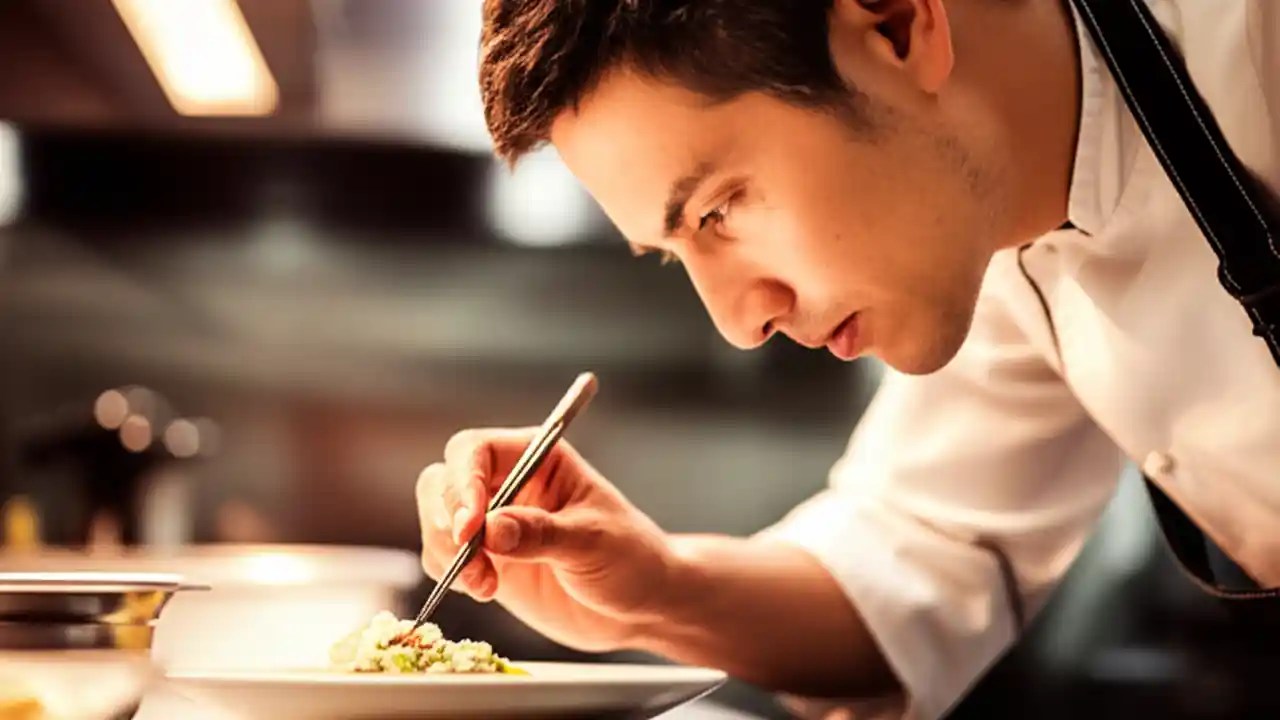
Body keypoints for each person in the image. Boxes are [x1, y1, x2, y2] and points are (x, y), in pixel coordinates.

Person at [415, 1, 1280, 717]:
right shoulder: (983, 220)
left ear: (899, 26)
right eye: (676, 255)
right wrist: (652, 588)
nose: (739, 323)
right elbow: (921, 562)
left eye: (720, 211)